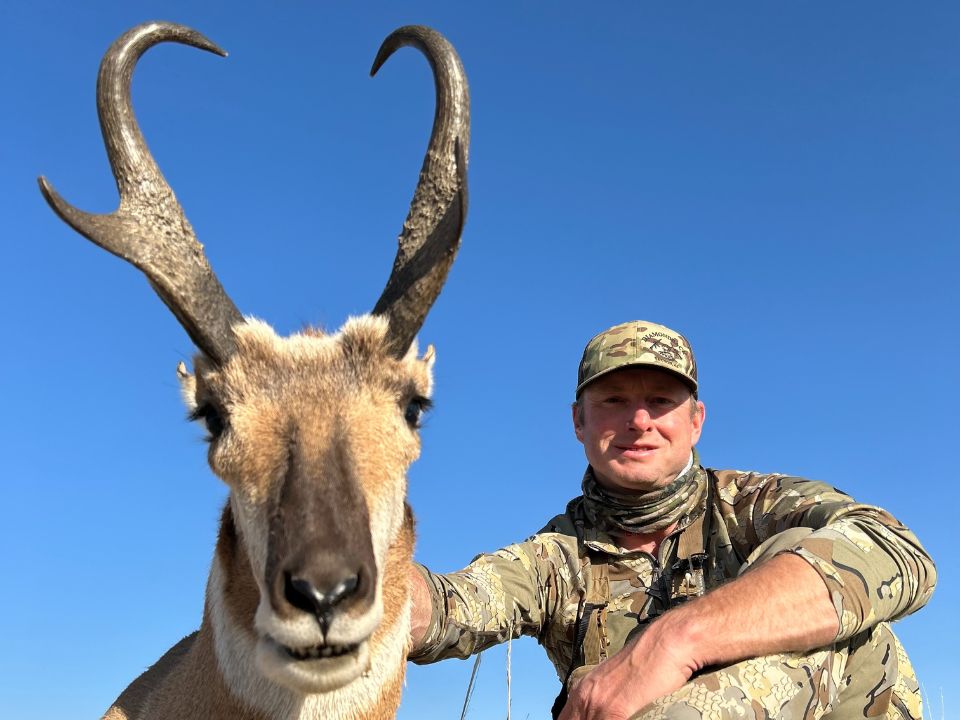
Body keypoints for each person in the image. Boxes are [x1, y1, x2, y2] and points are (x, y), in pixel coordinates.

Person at [407, 320, 936, 720]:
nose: (639, 422)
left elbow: (897, 551)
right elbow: (449, 607)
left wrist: (675, 641)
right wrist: (371, 577)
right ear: (578, 421)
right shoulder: (555, 557)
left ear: (695, 421)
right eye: (614, 400)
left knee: (822, 584)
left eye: (660, 401)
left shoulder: (752, 505)